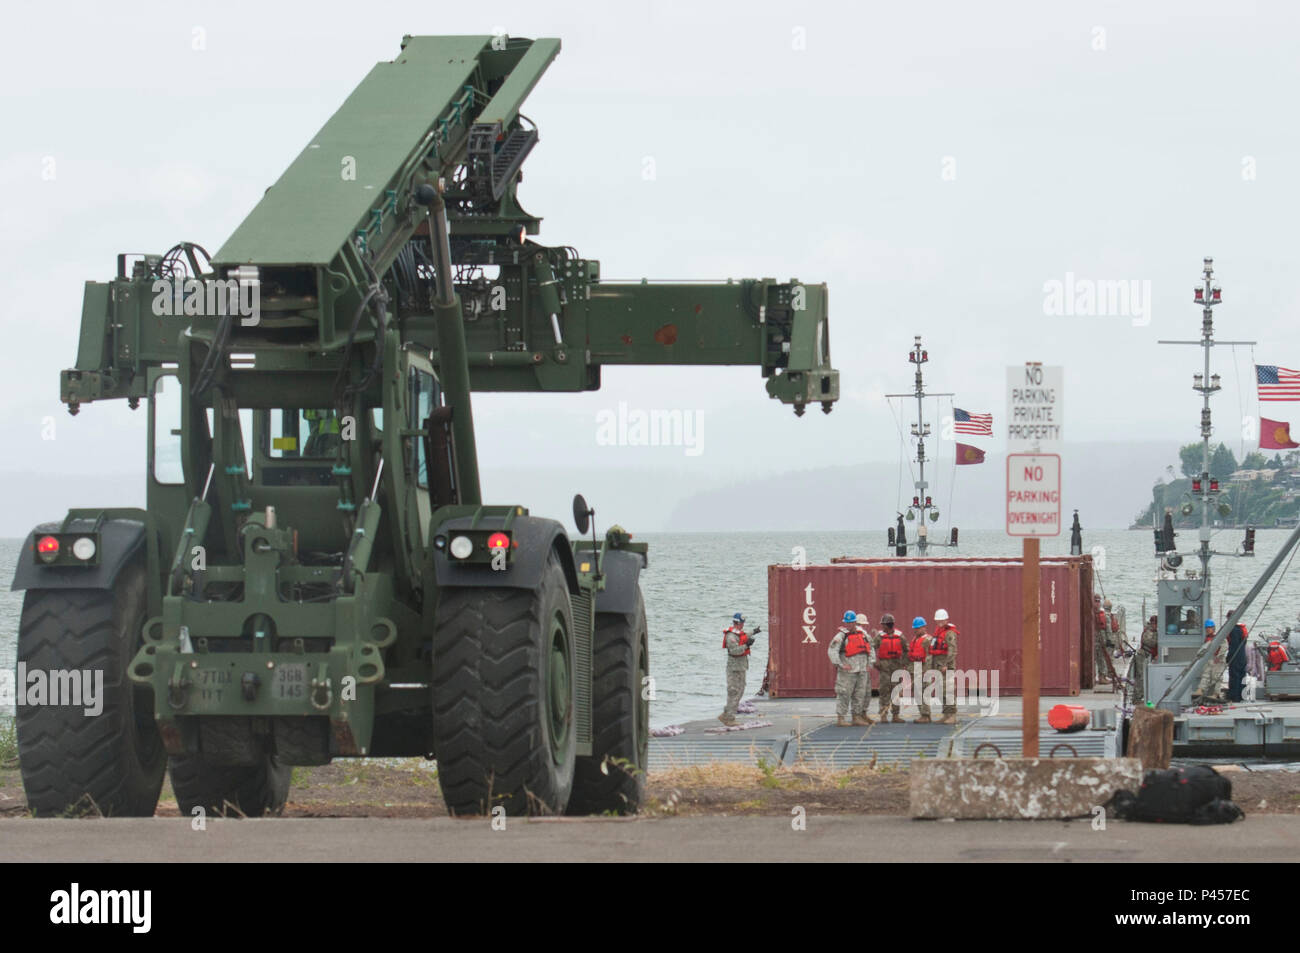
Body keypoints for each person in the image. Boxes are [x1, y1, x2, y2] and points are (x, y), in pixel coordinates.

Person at [828, 611, 873, 726]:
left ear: (855, 622)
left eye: (851, 622)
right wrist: (840, 664)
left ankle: (856, 717)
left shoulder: (863, 635)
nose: (849, 624)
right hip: (847, 671)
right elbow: (832, 650)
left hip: (862, 670)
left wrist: (870, 663)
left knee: (860, 694)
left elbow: (871, 648)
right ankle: (841, 718)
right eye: (847, 622)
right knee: (844, 693)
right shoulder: (841, 636)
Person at [720, 612, 759, 725]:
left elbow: (744, 636)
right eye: (741, 623)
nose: (742, 625)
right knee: (734, 692)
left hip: (740, 666)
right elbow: (734, 651)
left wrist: (754, 631)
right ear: (737, 623)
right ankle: (729, 718)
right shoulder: (731, 636)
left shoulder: (736, 633)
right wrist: (747, 646)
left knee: (740, 690)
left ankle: (727, 714)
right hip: (734, 668)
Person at [872, 613, 909, 722]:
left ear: (888, 625)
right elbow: (871, 649)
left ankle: (896, 715)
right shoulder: (879, 637)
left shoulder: (900, 636)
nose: (882, 626)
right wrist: (875, 662)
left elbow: (907, 650)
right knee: (884, 691)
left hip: (897, 668)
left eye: (883, 624)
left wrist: (904, 663)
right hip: (884, 668)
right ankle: (883, 714)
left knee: (896, 692)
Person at [929, 608, 960, 724]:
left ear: (946, 620)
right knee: (941, 691)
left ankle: (952, 715)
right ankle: (946, 715)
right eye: (938, 620)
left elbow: (953, 650)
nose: (939, 622)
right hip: (938, 666)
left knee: (949, 690)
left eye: (942, 620)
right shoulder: (938, 632)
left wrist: (947, 665)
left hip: (946, 667)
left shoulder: (950, 633)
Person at [907, 616, 932, 723]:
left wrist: (925, 670)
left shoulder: (928, 640)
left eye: (918, 628)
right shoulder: (914, 640)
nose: (916, 630)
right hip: (915, 668)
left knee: (924, 692)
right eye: (915, 628)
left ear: (923, 628)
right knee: (917, 692)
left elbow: (929, 656)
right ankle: (923, 714)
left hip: (924, 669)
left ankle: (926, 715)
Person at [1195, 619, 1225, 703]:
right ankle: (1200, 689)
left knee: (1217, 677)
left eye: (1210, 628)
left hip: (1218, 660)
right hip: (1210, 659)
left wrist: (1219, 656)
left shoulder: (1219, 637)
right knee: (1206, 674)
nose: (1208, 629)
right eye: (1207, 628)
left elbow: (1224, 647)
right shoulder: (1207, 639)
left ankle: (1216, 694)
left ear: (1213, 628)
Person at [1132, 614, 1159, 703]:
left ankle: (1143, 696)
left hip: (1148, 656)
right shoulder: (1149, 632)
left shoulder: (1155, 632)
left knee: (1145, 676)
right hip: (1142, 656)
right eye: (1155, 624)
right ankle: (1137, 698)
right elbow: (1149, 642)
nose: (1156, 626)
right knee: (1141, 677)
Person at [1227, 624, 1247, 702]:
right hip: (1242, 656)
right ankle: (1243, 696)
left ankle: (1234, 697)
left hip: (1235, 657)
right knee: (1242, 675)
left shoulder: (1234, 630)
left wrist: (1228, 657)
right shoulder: (1242, 629)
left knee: (1234, 676)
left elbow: (1233, 646)